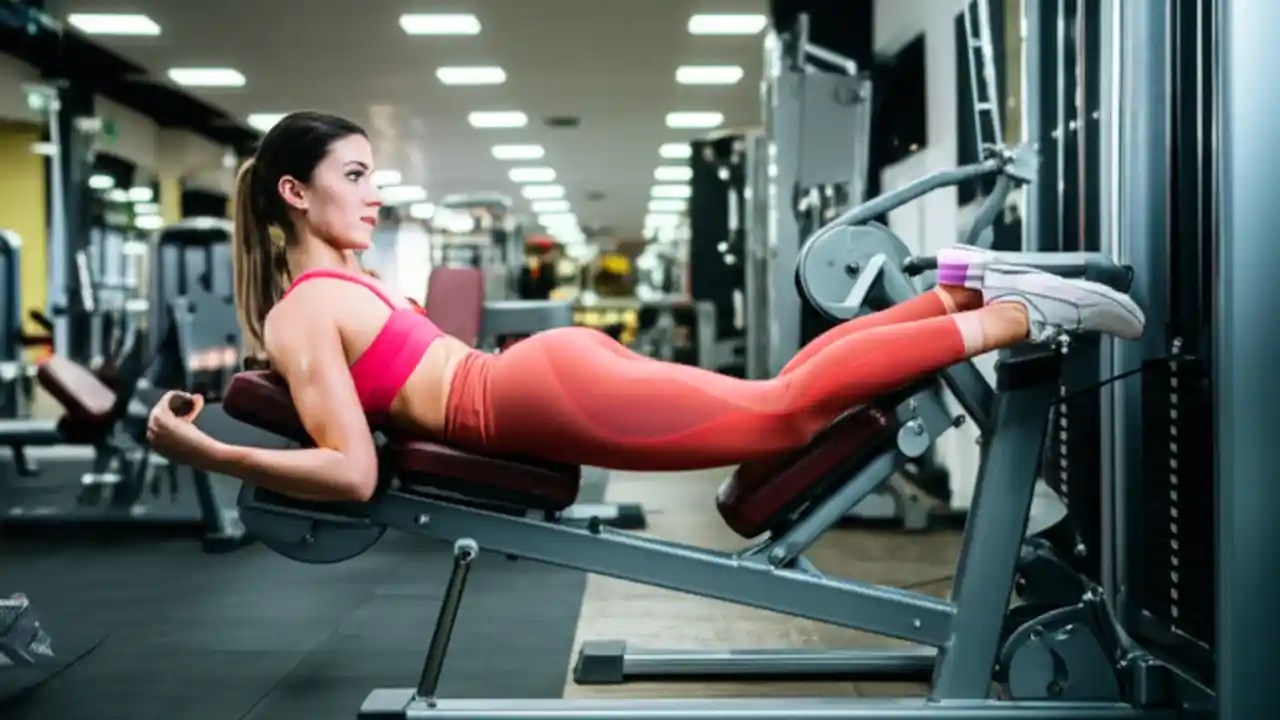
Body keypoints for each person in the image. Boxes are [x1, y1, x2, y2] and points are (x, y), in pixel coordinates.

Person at [146, 111, 1145, 503]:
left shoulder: (305, 307)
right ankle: (973, 288)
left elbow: (351, 473)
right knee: (784, 395)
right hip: (542, 379)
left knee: (781, 412)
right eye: (355, 174)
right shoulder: (329, 297)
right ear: (292, 191)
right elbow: (362, 445)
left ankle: (1020, 313)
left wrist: (213, 454)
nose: (372, 192)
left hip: (532, 394)